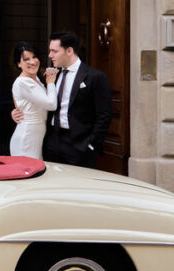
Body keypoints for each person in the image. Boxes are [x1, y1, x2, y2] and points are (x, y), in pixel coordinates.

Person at [12, 30, 111, 168]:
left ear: (69, 51)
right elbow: (34, 100)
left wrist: (90, 145)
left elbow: (104, 116)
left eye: (54, 51)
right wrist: (17, 112)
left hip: (79, 145)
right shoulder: (52, 75)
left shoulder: (95, 77)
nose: (50, 55)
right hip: (50, 142)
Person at [8, 42, 57, 158]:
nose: (32, 62)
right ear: (19, 63)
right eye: (26, 59)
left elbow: (21, 106)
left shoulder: (36, 80)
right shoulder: (23, 82)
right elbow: (51, 104)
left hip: (36, 138)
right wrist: (50, 83)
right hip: (26, 139)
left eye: (34, 57)